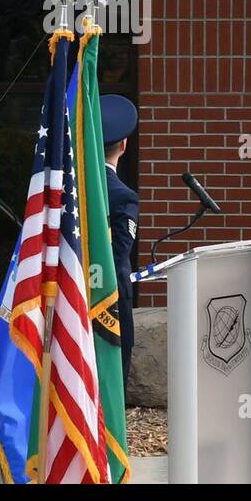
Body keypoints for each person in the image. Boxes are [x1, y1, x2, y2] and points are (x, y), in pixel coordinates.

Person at [101, 94, 139, 388]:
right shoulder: (123, 195)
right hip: (109, 297)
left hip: (73, 290)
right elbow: (119, 252)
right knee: (112, 380)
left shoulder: (69, 190)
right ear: (123, 145)